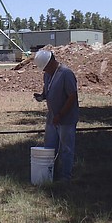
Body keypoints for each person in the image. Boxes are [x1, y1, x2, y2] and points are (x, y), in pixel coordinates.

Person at [33, 49, 79, 181]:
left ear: (51, 62)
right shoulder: (47, 75)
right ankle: (49, 175)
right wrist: (41, 97)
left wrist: (61, 114)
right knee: (49, 148)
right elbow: (47, 92)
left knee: (66, 149)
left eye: (45, 67)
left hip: (66, 119)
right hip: (52, 118)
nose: (44, 71)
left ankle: (65, 177)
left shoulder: (66, 73)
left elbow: (72, 97)